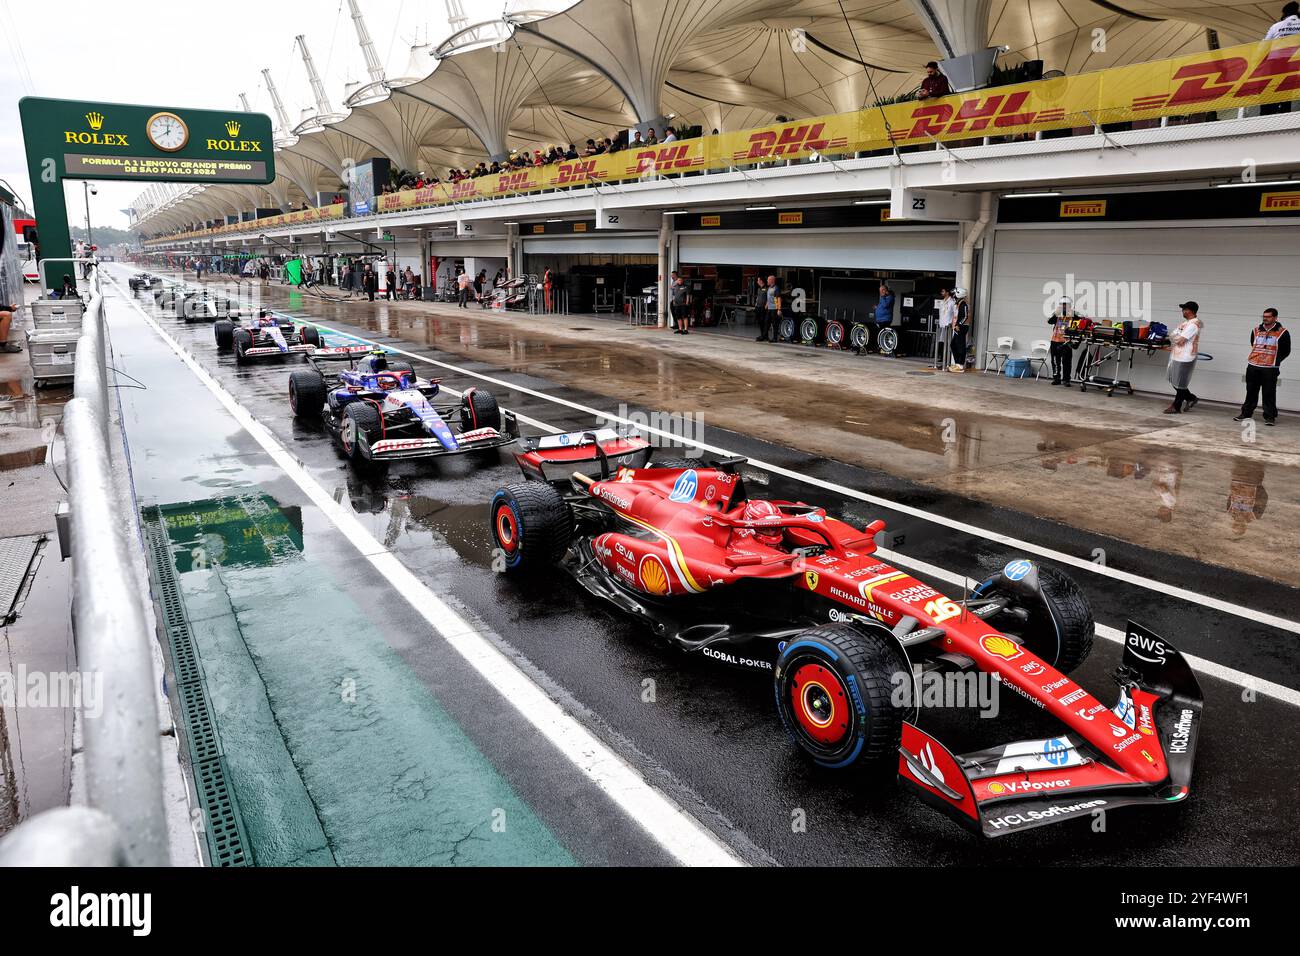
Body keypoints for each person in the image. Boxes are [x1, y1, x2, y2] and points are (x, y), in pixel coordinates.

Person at [1235, 308, 1290, 426]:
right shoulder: (1256, 330)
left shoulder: (1282, 332)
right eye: (1264, 316)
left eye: (1268, 317)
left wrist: (1275, 361)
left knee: (1269, 392)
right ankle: (1246, 413)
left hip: (1270, 368)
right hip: (1253, 366)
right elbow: (1252, 344)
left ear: (1275, 318)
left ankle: (1270, 417)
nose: (1265, 319)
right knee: (1250, 391)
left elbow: (1286, 350)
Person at [1164, 301, 1203, 414]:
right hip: (1177, 355)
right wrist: (1176, 336)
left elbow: (1180, 340)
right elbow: (1173, 334)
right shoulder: (1185, 323)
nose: (1182, 311)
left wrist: (1176, 337)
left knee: (1180, 383)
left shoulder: (1194, 324)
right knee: (1174, 381)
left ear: (1190, 311)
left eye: (1184, 309)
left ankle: (1176, 406)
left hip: (1186, 357)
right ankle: (1191, 398)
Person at [1048, 296, 1078, 385]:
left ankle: (1066, 379)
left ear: (1070, 305)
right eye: (1062, 305)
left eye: (1066, 305)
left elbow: (1081, 321)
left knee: (1066, 361)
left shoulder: (1073, 313)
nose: (1064, 307)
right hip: (1055, 340)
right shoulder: (1057, 313)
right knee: (1055, 361)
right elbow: (1049, 321)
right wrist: (1056, 313)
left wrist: (1072, 313)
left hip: (1067, 341)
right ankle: (1056, 378)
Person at [949, 288, 971, 372]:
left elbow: (965, 316)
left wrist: (958, 324)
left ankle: (960, 366)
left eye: (955, 294)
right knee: (953, 345)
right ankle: (957, 364)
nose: (954, 296)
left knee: (960, 346)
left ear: (959, 294)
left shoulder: (964, 304)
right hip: (957, 328)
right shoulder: (958, 303)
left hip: (961, 328)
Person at [870, 282, 894, 354]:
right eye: (879, 291)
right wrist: (877, 307)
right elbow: (882, 306)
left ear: (884, 290)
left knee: (884, 335)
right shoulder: (883, 297)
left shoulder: (890, 297)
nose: (880, 292)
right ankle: (880, 348)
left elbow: (885, 305)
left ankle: (886, 348)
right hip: (880, 319)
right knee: (879, 334)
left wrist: (883, 297)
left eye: (881, 291)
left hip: (885, 319)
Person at [935, 287, 956, 368]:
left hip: (949, 326)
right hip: (942, 325)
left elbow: (955, 313)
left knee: (949, 343)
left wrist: (952, 323)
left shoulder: (952, 301)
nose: (941, 293)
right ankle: (942, 360)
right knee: (942, 342)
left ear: (947, 292)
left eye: (943, 291)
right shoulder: (942, 301)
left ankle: (948, 361)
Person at [755, 275, 779, 342]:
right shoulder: (765, 288)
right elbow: (768, 298)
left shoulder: (773, 288)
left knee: (774, 323)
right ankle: (764, 336)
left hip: (773, 308)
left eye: (768, 280)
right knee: (765, 323)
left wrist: (778, 309)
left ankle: (774, 338)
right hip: (766, 308)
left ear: (772, 280)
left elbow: (778, 298)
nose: (767, 281)